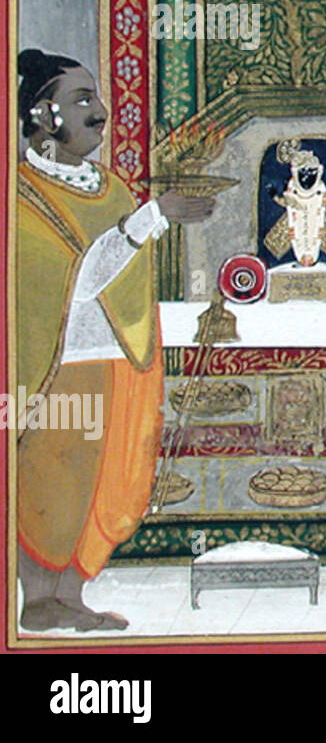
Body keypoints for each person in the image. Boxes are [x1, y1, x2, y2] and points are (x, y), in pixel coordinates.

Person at [15, 49, 213, 631]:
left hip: (121, 358)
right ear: (42, 114)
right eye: (82, 101)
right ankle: (39, 598)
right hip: (59, 365)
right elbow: (74, 280)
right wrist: (150, 219)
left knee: (112, 485)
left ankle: (71, 597)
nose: (100, 112)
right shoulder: (22, 195)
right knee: (54, 482)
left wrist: (146, 217)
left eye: (97, 98)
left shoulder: (112, 188)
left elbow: (127, 280)